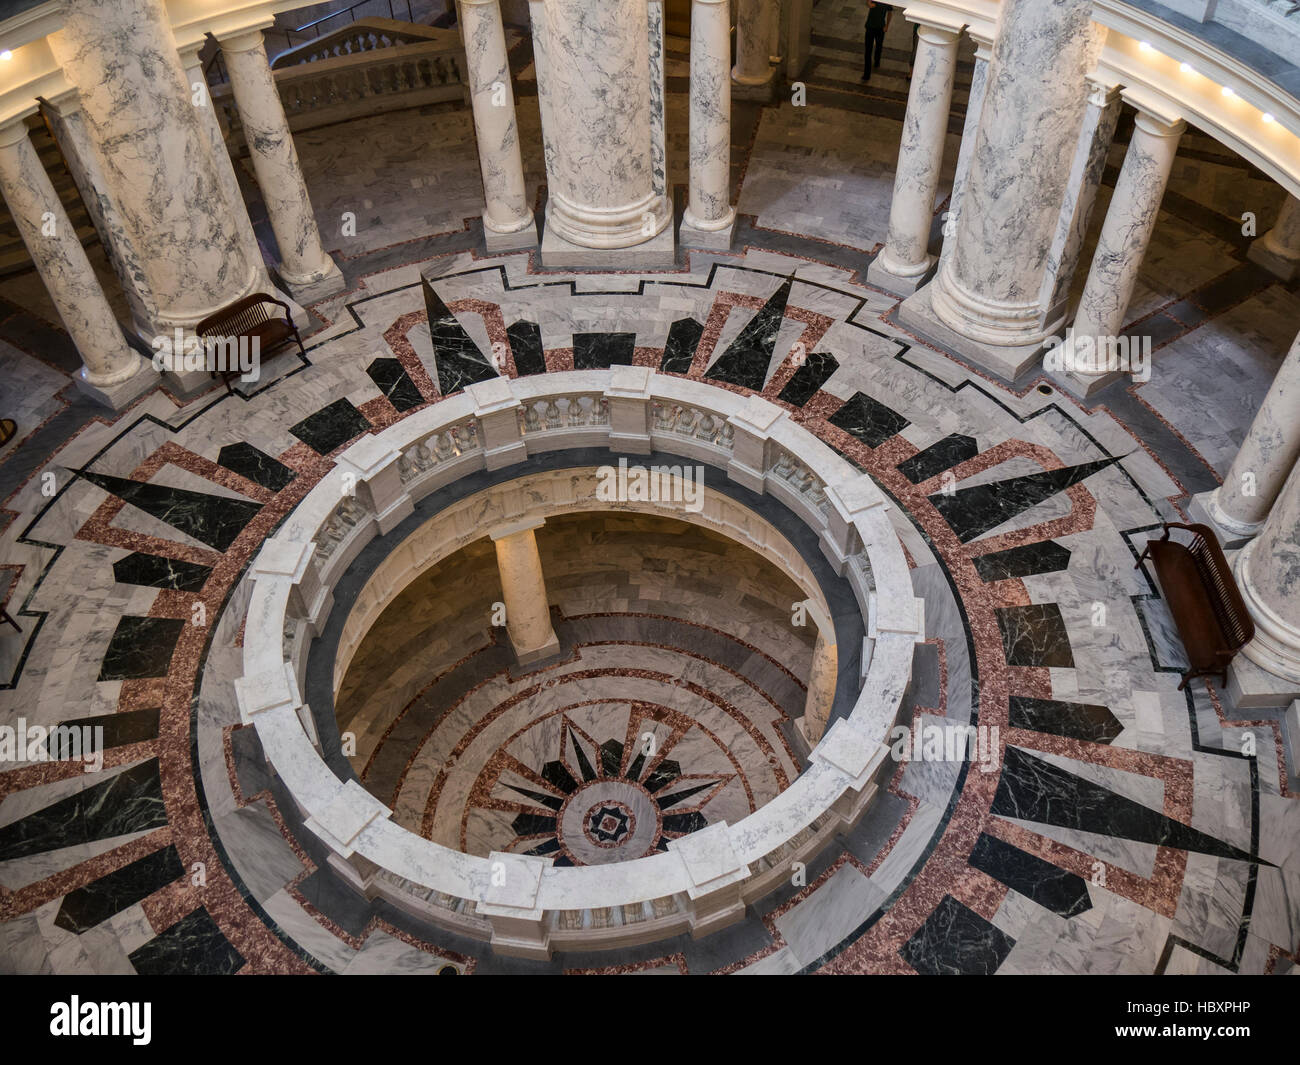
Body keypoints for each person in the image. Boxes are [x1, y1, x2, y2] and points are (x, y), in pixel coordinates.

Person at [862, 1, 892, 82]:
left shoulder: (888, 2)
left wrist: (887, 26)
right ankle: (866, 74)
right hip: (870, 27)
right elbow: (868, 3)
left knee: (879, 46)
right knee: (868, 51)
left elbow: (890, 13)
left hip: (880, 28)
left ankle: (877, 61)